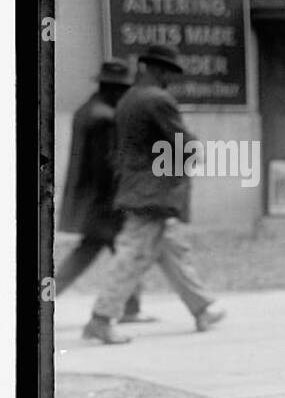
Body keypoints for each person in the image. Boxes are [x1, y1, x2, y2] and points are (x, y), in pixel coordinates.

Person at [83, 44, 226, 345]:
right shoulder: (157, 100)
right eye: (168, 72)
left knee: (173, 250)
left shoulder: (129, 98)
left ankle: (201, 309)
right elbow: (181, 141)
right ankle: (101, 318)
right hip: (154, 191)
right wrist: (196, 151)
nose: (169, 78)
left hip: (139, 187)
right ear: (158, 70)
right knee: (134, 253)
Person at [55, 59, 150, 321]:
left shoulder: (87, 110)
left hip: (90, 200)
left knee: (111, 251)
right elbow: (108, 165)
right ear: (113, 88)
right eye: (124, 89)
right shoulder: (105, 118)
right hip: (105, 202)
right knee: (122, 252)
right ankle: (129, 308)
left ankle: (131, 307)